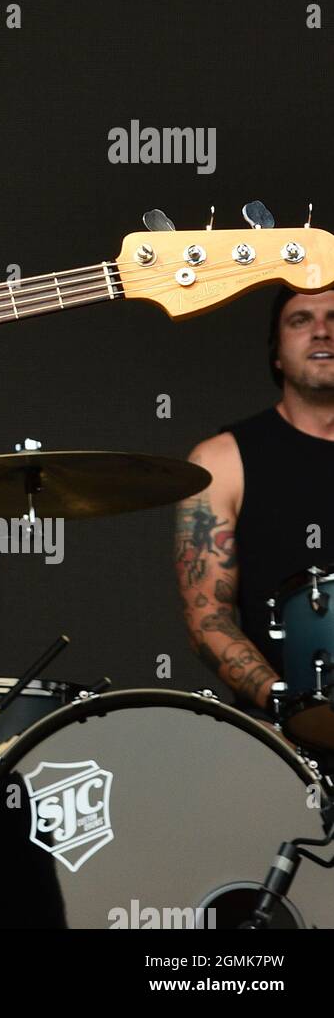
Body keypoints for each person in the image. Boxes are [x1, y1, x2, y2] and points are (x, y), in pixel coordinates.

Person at [173, 286, 334, 727]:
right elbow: (207, 618)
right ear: (277, 353)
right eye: (301, 320)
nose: (322, 332)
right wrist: (297, 709)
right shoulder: (221, 460)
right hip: (285, 741)